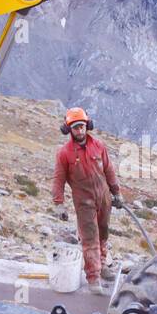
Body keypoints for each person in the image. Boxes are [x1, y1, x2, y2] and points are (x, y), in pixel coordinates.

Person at [51, 107, 123, 293]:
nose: (80, 131)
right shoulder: (64, 153)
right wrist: (59, 204)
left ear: (87, 125)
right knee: (90, 239)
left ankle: (103, 266)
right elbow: (58, 179)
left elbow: (109, 170)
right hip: (84, 203)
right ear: (69, 130)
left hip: (104, 199)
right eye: (75, 128)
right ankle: (93, 278)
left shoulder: (98, 146)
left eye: (82, 126)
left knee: (103, 235)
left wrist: (116, 192)